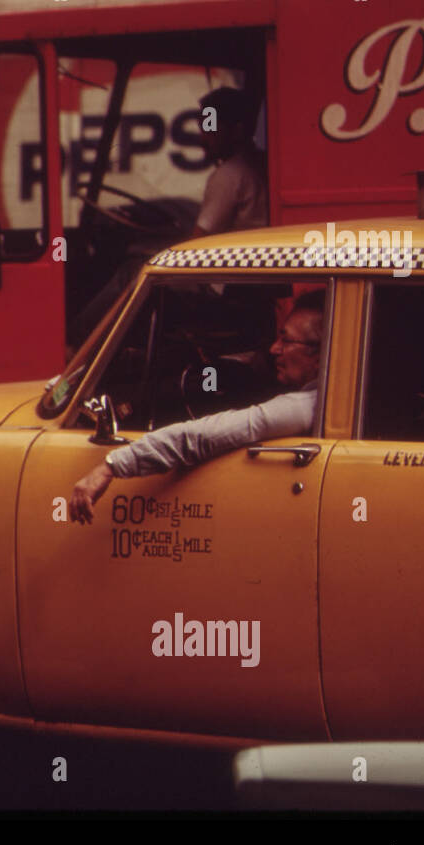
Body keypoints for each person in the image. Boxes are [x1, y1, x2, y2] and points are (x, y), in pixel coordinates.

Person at [70, 290, 323, 523]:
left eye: (287, 341)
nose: (274, 349)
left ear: (318, 354)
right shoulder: (317, 401)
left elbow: (204, 435)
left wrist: (112, 465)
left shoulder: (304, 406)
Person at [191, 86, 267, 238]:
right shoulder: (260, 161)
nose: (203, 138)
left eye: (211, 130)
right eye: (203, 129)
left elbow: (198, 240)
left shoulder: (229, 174)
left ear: (237, 131)